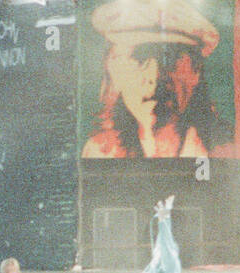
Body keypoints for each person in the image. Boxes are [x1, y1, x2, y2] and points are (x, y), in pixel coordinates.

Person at [82, 0, 231, 159]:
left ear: (196, 71)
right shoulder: (100, 152)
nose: (154, 78)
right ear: (114, 69)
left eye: (169, 59)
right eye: (138, 60)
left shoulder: (224, 148)